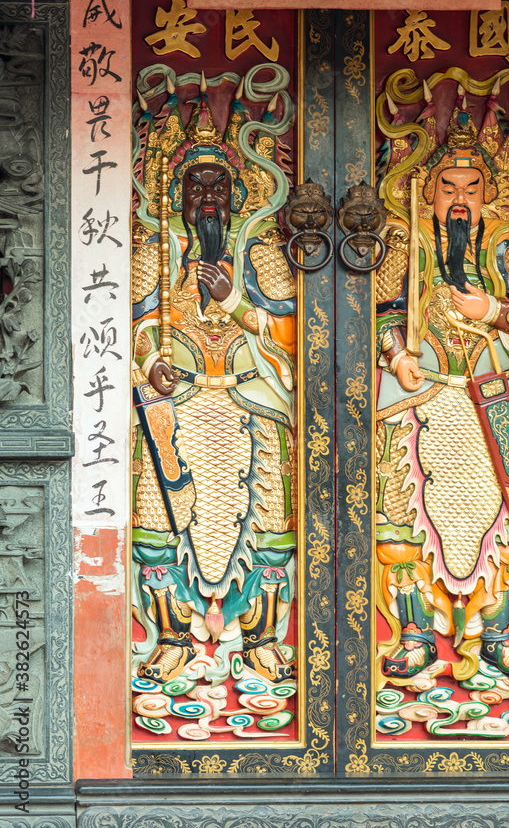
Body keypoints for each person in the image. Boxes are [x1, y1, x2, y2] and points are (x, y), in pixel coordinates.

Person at [131, 75, 297, 686]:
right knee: (157, 511)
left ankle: (259, 636)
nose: (208, 196)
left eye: (218, 184)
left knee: (271, 516)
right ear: (177, 193)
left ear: (238, 193)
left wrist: (234, 306)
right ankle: (172, 633)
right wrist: (151, 365)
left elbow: (297, 335)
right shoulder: (158, 249)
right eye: (196, 184)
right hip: (176, 407)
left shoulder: (257, 252)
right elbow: (133, 327)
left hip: (248, 402)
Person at [375, 80, 509, 684]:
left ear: (488, 192)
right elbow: (383, 314)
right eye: (448, 189)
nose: (460, 201)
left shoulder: (507, 246)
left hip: (491, 395)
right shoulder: (407, 242)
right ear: (430, 193)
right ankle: (415, 631)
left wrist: (494, 314)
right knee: (398, 510)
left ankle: (497, 632)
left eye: (472, 188)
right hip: (421, 396)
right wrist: (395, 356)